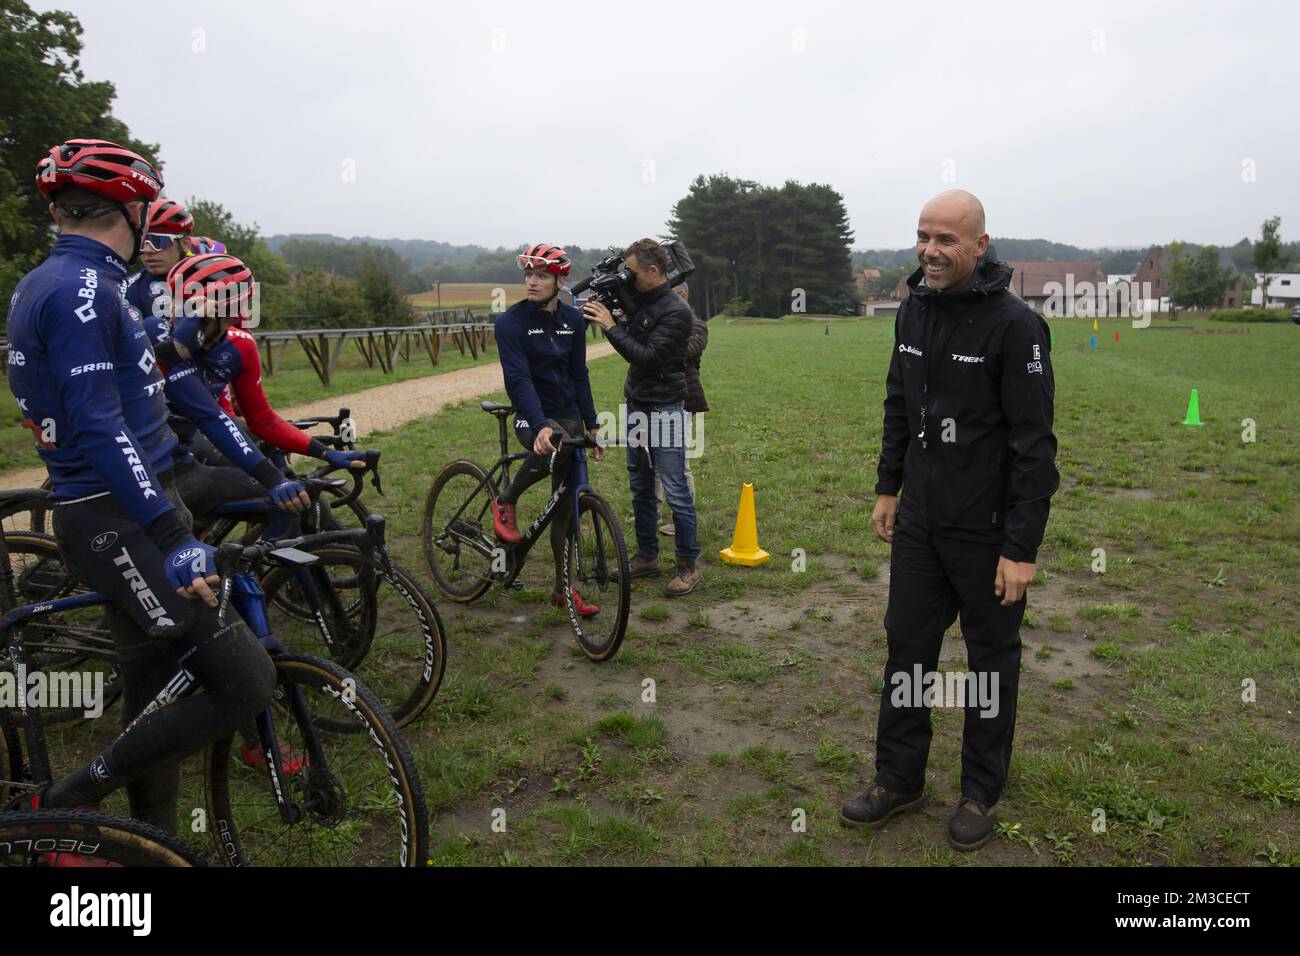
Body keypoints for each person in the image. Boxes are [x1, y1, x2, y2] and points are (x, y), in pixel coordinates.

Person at [6, 139, 275, 833]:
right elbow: (99, 425)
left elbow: (142, 387)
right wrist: (169, 530)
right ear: (128, 206)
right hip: (115, 512)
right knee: (246, 681)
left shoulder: (53, 281)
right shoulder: (84, 291)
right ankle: (62, 806)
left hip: (115, 504)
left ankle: (145, 840)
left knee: (154, 690)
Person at [840, 190, 1058, 851]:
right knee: (907, 647)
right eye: (922, 237)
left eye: (946, 240)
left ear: (979, 247)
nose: (930, 251)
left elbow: (1033, 445)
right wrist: (888, 487)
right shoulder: (914, 310)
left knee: (989, 665)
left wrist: (1020, 548)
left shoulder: (1016, 326)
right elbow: (898, 404)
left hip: (986, 531)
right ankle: (899, 776)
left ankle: (979, 790)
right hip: (921, 523)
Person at [164, 253, 367, 476]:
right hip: (161, 448)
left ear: (230, 317)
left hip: (196, 436)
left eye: (199, 316)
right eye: (179, 309)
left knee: (284, 485)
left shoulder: (240, 348)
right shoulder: (154, 333)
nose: (181, 321)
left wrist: (325, 453)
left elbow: (262, 420)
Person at [489, 243, 605, 618]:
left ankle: (561, 589)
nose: (531, 282)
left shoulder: (573, 320)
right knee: (551, 444)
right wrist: (539, 425)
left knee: (567, 507)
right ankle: (506, 498)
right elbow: (518, 379)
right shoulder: (510, 323)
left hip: (566, 414)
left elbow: (578, 374)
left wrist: (593, 424)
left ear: (560, 280)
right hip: (529, 413)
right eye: (528, 274)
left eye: (541, 276)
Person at [582, 238, 700, 597]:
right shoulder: (641, 302)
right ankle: (647, 556)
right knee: (640, 488)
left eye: (632, 272)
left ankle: (687, 565)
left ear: (653, 271)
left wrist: (611, 326)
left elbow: (645, 356)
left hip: (664, 408)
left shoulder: (677, 312)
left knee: (675, 489)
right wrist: (618, 316)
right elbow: (635, 341)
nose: (627, 278)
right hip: (636, 404)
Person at [657, 281, 707, 536]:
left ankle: (682, 519)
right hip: (655, 399)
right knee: (650, 459)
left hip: (684, 401)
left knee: (679, 461)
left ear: (683, 295)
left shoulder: (696, 325)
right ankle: (651, 513)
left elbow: (687, 351)